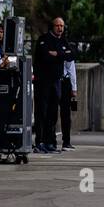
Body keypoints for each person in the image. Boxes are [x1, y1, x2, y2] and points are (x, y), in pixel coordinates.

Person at [33, 17, 69, 153]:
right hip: (43, 81)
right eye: (57, 26)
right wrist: (61, 54)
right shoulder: (44, 39)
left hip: (56, 81)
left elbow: (71, 55)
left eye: (62, 26)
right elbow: (45, 57)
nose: (60, 28)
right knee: (42, 111)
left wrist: (58, 54)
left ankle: (51, 142)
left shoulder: (63, 41)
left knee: (53, 113)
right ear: (52, 26)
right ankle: (39, 141)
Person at [59, 42, 78, 151]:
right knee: (50, 112)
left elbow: (71, 69)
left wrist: (74, 88)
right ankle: (48, 140)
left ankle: (66, 141)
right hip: (54, 79)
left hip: (64, 82)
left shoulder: (67, 49)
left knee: (65, 113)